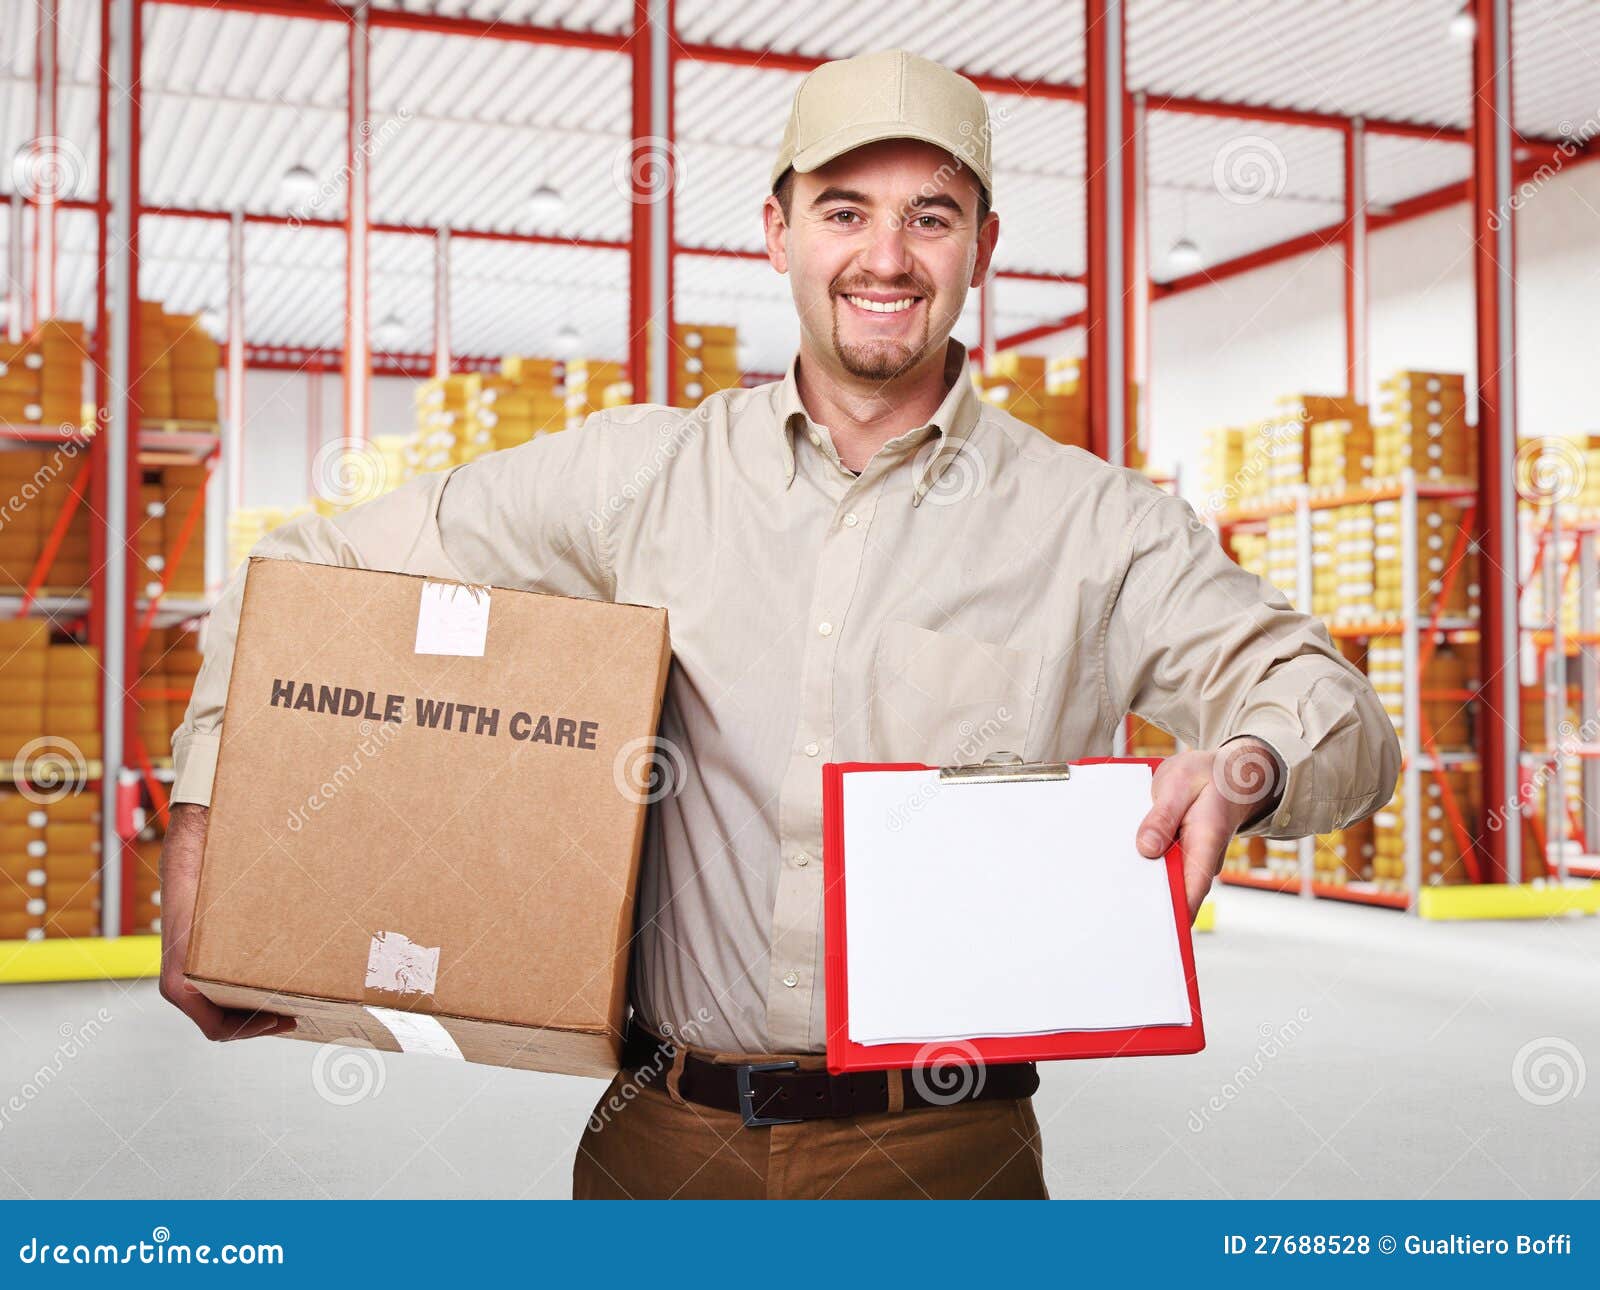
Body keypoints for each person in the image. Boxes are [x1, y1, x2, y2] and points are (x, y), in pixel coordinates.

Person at [159, 48, 1400, 1200]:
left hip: (946, 1157)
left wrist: (1247, 763)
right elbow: (303, 571)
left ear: (982, 247)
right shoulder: (636, 478)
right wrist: (208, 840)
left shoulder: (1099, 525)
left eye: (931, 216)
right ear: (777, 232)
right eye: (844, 212)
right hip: (662, 1141)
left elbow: (1335, 708)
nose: (886, 257)